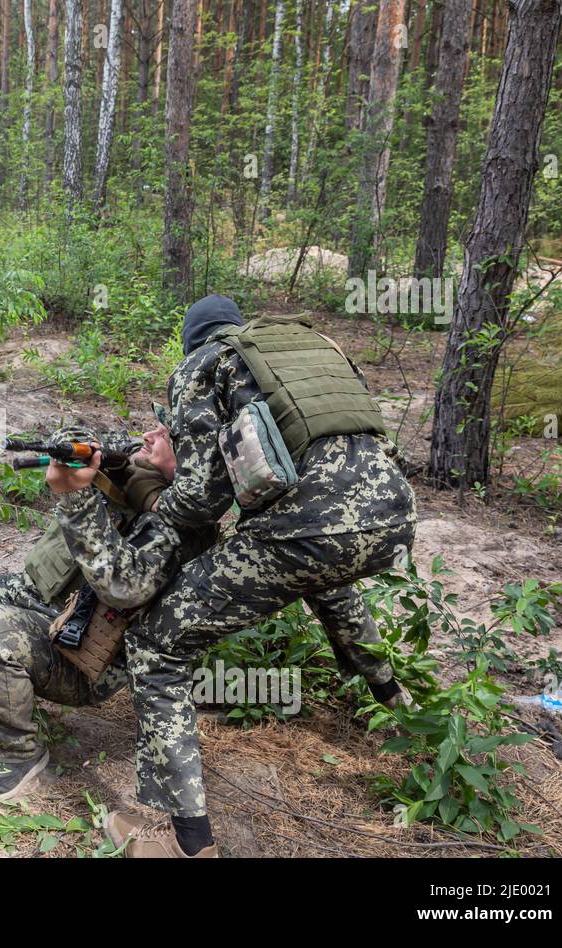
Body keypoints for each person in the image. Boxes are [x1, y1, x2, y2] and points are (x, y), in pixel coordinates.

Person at [103, 295, 417, 858]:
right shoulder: (313, 349)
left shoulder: (201, 364)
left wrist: (152, 502)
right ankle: (399, 708)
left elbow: (202, 497)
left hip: (304, 528)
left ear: (190, 337)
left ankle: (186, 843)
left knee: (157, 645)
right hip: (394, 517)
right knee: (325, 578)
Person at [0, 427, 214, 803]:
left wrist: (75, 496)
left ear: (193, 461)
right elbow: (90, 438)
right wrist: (94, 452)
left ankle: (15, 751)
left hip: (81, 651)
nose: (151, 433)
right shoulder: (139, 467)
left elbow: (121, 587)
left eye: (168, 435)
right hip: (41, 598)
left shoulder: (182, 526)